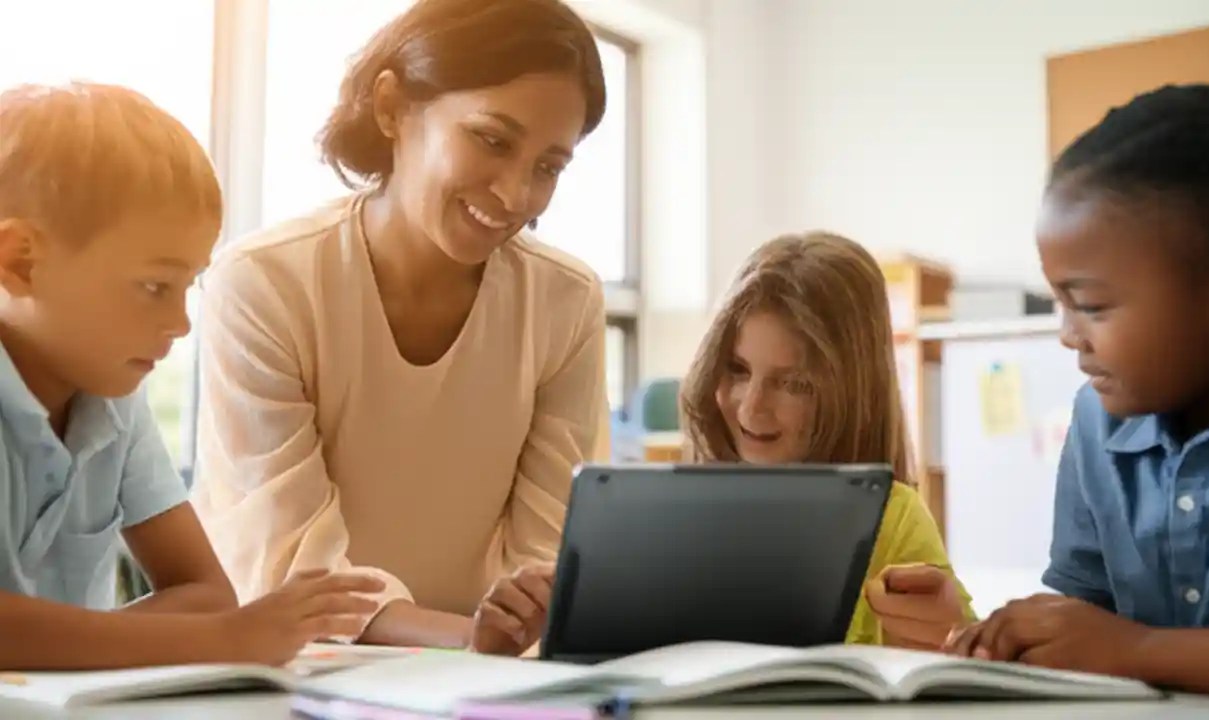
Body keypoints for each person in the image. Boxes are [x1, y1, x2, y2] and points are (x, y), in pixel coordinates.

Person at [191, 0, 609, 651]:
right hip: (299, 671)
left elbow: (546, 562)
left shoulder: (566, 301)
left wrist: (502, 637)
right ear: (392, 108)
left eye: (548, 167)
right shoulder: (265, 283)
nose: (515, 195)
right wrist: (473, 637)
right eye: (492, 140)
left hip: (482, 679)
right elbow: (299, 576)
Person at [0, 82, 382, 670]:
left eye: (188, 286)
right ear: (21, 261)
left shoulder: (113, 398)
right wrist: (224, 641)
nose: (180, 324)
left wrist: (64, 642)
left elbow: (206, 595)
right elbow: (213, 625)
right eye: (154, 287)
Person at [473, 233, 975, 655]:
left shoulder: (895, 519)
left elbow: (971, 675)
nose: (752, 408)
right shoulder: (657, 515)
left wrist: (949, 641)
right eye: (737, 370)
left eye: (794, 383)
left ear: (851, 391)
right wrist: (504, 646)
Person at [944, 82, 1209, 700]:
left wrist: (1139, 650)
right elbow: (1083, 611)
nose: (1069, 336)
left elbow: (1115, 646)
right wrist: (1012, 637)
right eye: (1058, 302)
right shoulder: (1097, 422)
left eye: (1092, 305)